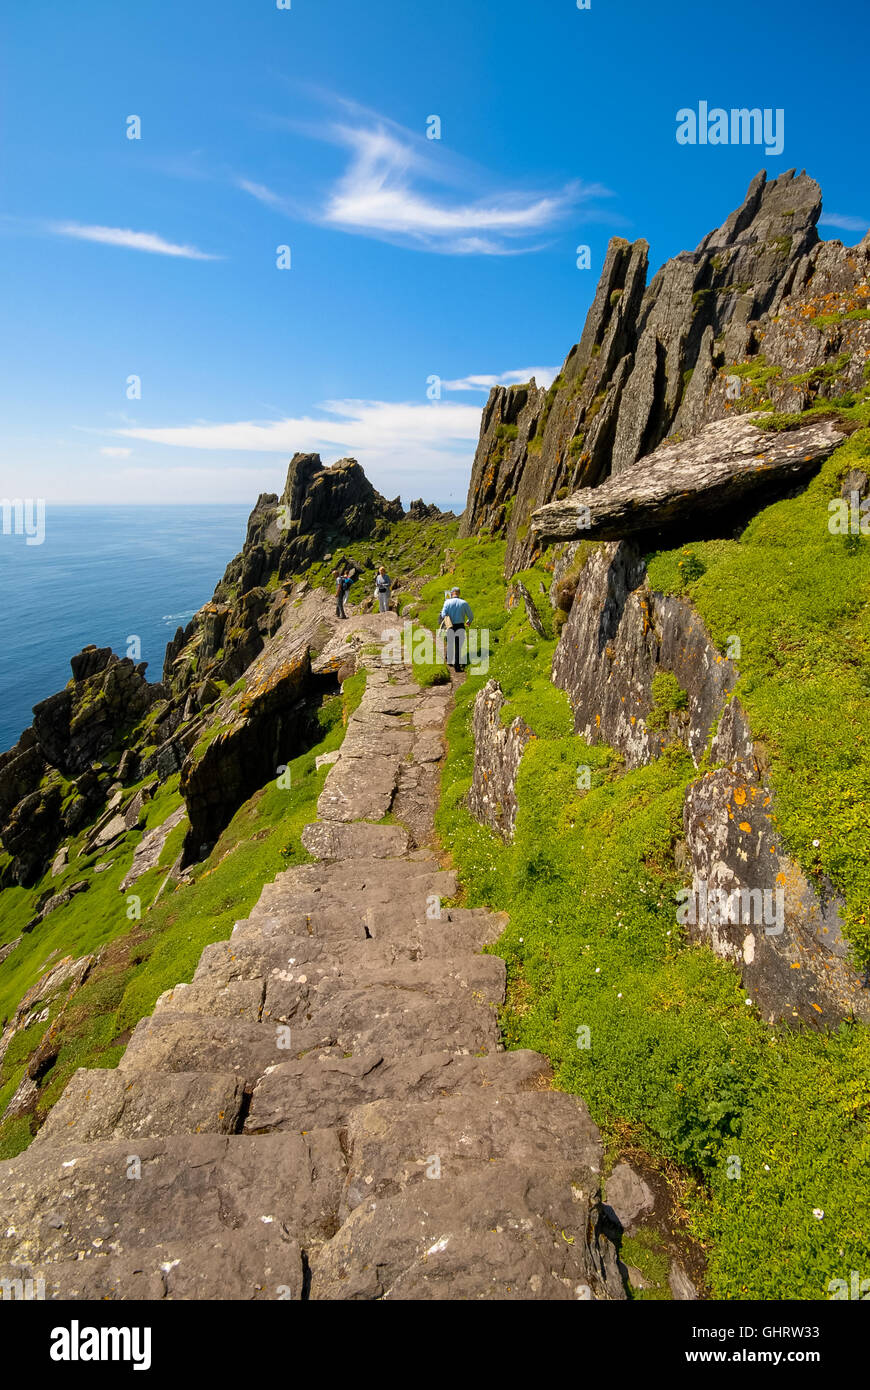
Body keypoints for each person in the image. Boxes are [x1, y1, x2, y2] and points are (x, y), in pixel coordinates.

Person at [440, 586, 474, 672]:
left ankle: (449, 660)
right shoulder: (464, 603)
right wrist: (468, 621)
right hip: (460, 626)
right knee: (458, 646)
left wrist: (447, 619)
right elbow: (471, 615)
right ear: (459, 593)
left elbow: (443, 614)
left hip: (450, 625)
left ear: (452, 593)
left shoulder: (447, 603)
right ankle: (457, 666)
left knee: (450, 643)